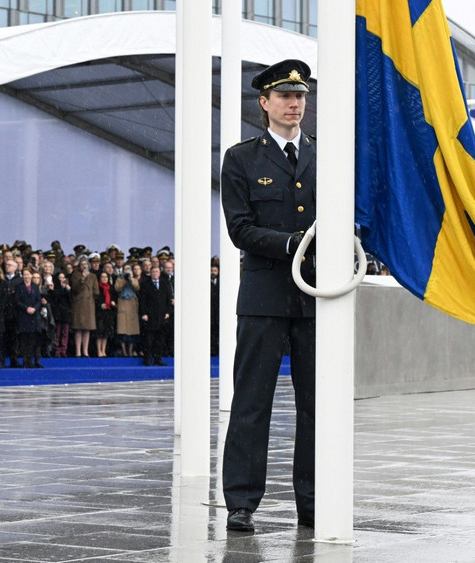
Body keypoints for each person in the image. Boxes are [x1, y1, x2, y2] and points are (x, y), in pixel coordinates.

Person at [220, 59, 317, 532]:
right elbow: (240, 229)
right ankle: (241, 502)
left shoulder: (326, 156)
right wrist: (291, 243)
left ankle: (314, 501)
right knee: (251, 402)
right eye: (284, 96)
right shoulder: (241, 159)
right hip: (263, 297)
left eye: (299, 96)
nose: (294, 103)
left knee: (316, 405)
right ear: (264, 102)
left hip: (316, 297)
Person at [138, 265, 170, 366]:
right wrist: (143, 313)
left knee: (159, 339)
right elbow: (142, 301)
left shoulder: (164, 283)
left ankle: (158, 359)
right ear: (150, 273)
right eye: (153, 272)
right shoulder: (145, 284)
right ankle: (147, 359)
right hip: (149, 316)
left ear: (159, 273)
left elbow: (168, 298)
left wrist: (168, 312)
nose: (155, 273)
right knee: (148, 339)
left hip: (161, 316)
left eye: (157, 272)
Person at [15, 269, 43, 368]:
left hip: (34, 317)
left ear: (31, 275)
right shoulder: (19, 287)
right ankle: (25, 361)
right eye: (24, 274)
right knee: (24, 340)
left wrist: (34, 308)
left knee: (32, 340)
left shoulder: (35, 287)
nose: (26, 276)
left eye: (28, 274)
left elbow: (38, 300)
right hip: (23, 316)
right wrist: (26, 308)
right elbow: (17, 301)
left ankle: (32, 360)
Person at [70, 259, 97, 357]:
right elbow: (75, 289)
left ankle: (85, 351)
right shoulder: (75, 275)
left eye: (86, 264)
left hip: (89, 305)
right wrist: (82, 279)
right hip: (78, 304)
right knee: (78, 328)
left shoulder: (93, 276)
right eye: (82, 264)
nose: (84, 266)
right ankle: (78, 351)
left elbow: (96, 291)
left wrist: (92, 297)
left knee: (87, 328)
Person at [114, 264, 140, 358]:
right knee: (122, 329)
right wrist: (124, 279)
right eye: (126, 269)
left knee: (132, 330)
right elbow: (117, 288)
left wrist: (130, 279)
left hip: (132, 305)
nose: (127, 270)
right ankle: (124, 350)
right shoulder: (119, 279)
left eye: (129, 269)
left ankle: (130, 350)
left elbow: (137, 287)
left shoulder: (134, 279)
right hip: (123, 304)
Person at [94, 271, 116, 357]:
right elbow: (95, 300)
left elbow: (113, 297)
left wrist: (113, 302)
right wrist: (100, 305)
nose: (104, 278)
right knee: (100, 332)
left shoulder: (110, 288)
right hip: (100, 313)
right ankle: (98, 350)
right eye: (102, 277)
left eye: (106, 277)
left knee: (106, 333)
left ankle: (103, 350)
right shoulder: (97, 288)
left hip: (108, 312)